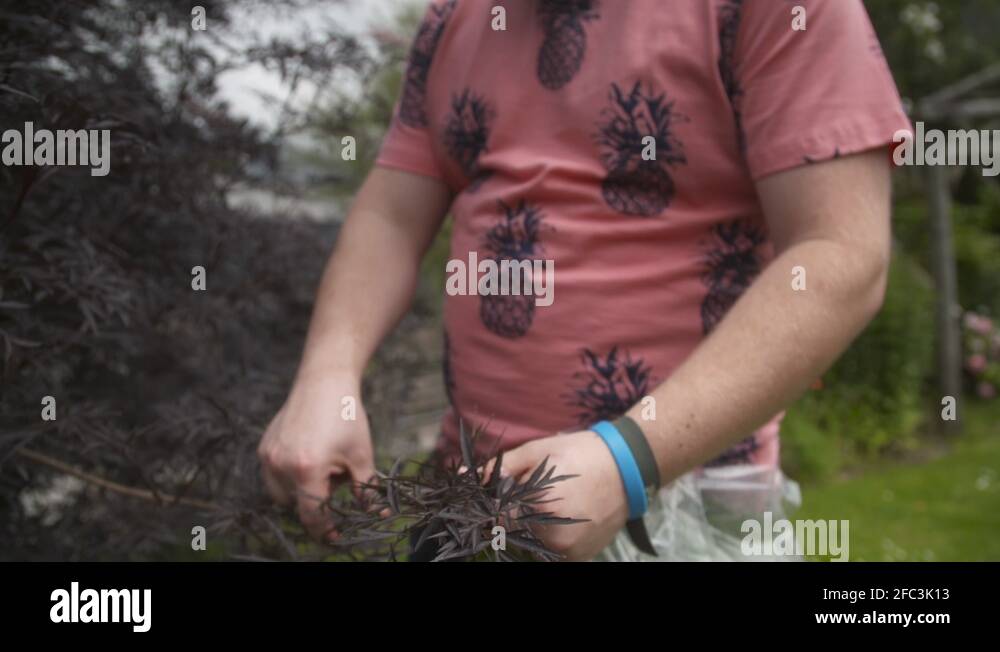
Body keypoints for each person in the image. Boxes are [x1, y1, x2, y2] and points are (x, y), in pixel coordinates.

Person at [257, 0, 910, 561]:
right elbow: (392, 216)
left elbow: (840, 252)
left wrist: (626, 461)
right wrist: (326, 377)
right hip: (464, 502)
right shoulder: (454, 16)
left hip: (682, 504)